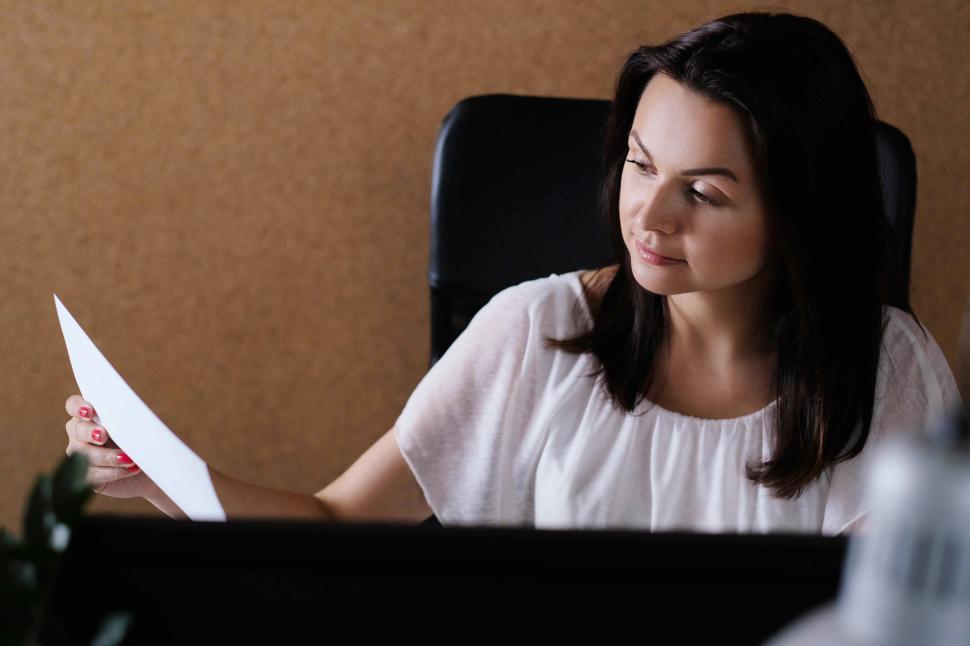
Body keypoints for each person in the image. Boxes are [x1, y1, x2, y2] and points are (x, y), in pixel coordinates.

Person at [63, 12, 960, 534]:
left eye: (706, 193)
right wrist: (157, 478)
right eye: (642, 165)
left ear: (798, 211)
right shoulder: (532, 333)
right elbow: (339, 528)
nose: (648, 216)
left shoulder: (889, 369)